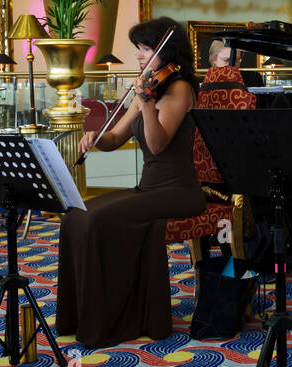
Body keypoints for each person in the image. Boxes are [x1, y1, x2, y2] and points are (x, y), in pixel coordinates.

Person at [55, 17, 207, 348]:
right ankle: (81, 315)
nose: (138, 55)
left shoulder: (179, 89)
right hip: (150, 188)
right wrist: (95, 138)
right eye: (138, 48)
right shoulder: (147, 87)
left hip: (179, 191)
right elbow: (116, 136)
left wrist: (148, 106)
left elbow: (157, 144)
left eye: (145, 48)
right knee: (76, 213)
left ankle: (113, 319)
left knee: (97, 219)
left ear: (166, 52)